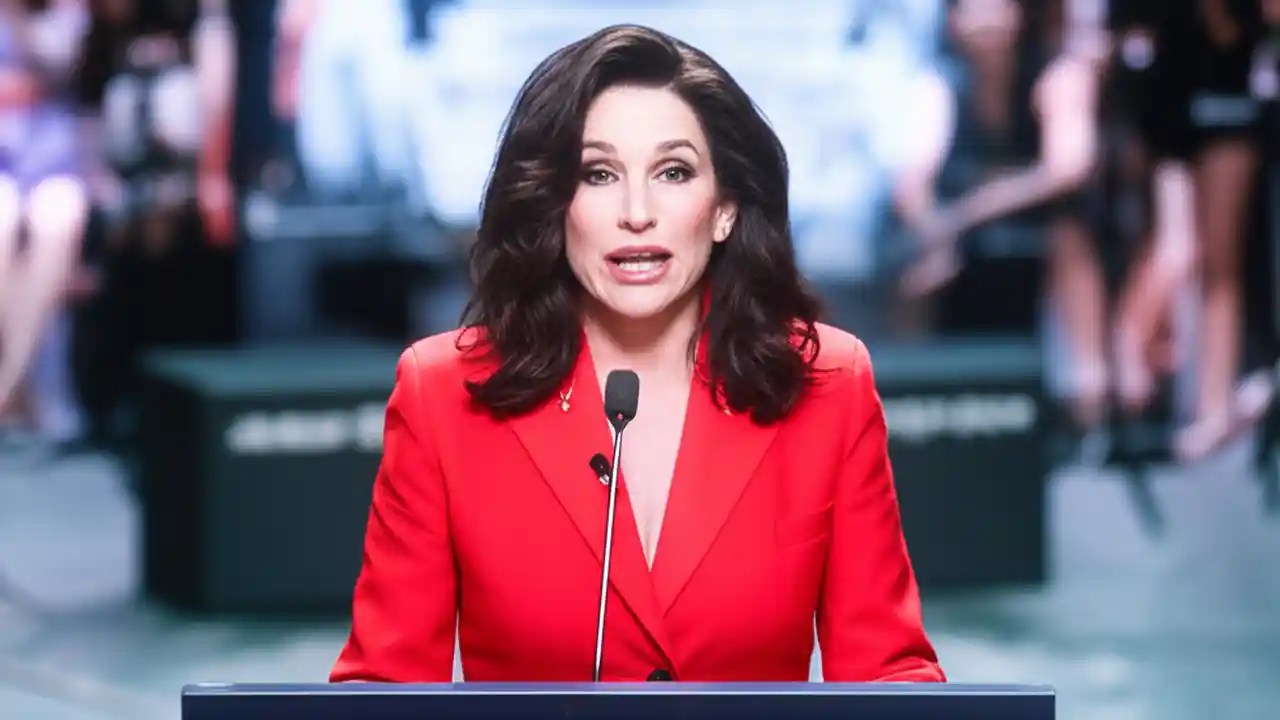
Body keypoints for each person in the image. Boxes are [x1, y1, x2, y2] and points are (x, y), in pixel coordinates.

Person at [330, 25, 944, 683]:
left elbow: (889, 677)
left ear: (724, 210)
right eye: (598, 174)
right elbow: (385, 692)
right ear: (554, 205)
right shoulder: (443, 392)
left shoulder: (826, 382)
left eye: (673, 172)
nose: (637, 212)